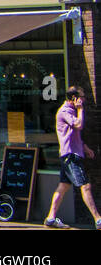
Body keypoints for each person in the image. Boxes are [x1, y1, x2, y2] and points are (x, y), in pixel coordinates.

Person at [44, 86, 101, 230]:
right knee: (86, 186)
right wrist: (81, 109)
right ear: (74, 98)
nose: (84, 100)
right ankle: (98, 219)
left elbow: (72, 134)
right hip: (70, 156)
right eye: (82, 97)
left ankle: (51, 218)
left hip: (69, 154)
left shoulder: (70, 111)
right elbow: (79, 125)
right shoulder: (64, 112)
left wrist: (84, 147)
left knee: (63, 187)